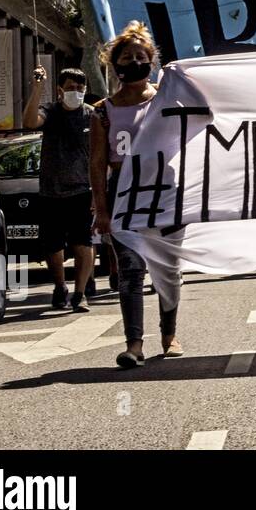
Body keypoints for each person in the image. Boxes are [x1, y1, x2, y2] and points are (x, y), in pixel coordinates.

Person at [90, 21, 181, 368]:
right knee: (130, 269)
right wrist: (101, 209)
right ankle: (134, 344)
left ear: (152, 62)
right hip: (124, 195)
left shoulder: (166, 100)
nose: (134, 62)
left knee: (167, 269)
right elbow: (98, 163)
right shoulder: (102, 111)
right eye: (127, 57)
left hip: (167, 193)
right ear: (115, 65)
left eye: (141, 57)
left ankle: (169, 336)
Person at [22, 66, 95, 312]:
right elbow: (30, 122)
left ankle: (80, 293)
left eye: (80, 88)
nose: (75, 92)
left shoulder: (92, 116)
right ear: (60, 90)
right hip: (51, 192)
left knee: (83, 243)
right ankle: (60, 287)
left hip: (83, 190)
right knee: (54, 246)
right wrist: (37, 88)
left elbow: (100, 155)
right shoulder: (50, 112)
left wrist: (99, 190)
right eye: (71, 88)